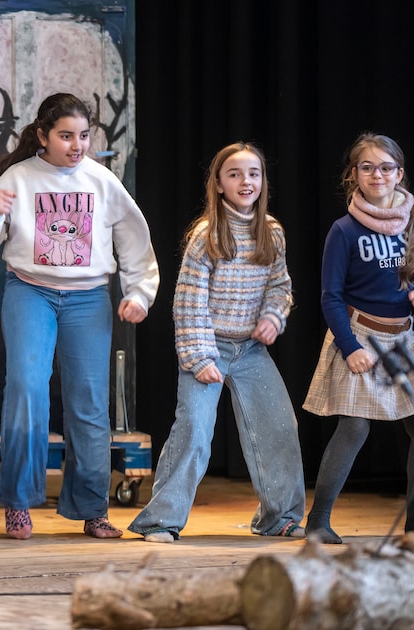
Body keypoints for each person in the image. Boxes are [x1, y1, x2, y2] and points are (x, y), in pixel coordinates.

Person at [0, 93, 159, 539]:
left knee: (89, 402)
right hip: (29, 292)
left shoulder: (101, 181)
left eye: (84, 136)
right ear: (43, 136)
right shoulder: (19, 177)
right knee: (26, 387)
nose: (76, 145)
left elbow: (134, 242)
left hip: (88, 299)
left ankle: (92, 508)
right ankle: (18, 502)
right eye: (66, 136)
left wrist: (139, 295)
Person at [128, 142, 306, 543]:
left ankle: (279, 517)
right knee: (194, 426)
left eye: (254, 174)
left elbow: (280, 286)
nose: (246, 181)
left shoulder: (271, 232)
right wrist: (199, 357)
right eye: (235, 174)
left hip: (251, 349)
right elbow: (188, 301)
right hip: (209, 347)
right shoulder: (206, 235)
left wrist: (273, 317)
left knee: (279, 425)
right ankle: (161, 520)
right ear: (220, 184)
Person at [303, 133, 414, 544]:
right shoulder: (344, 230)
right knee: (355, 427)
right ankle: (319, 521)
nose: (377, 174)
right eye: (367, 167)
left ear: (399, 173)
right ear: (354, 175)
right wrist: (351, 348)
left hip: (402, 340)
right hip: (359, 334)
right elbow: (330, 296)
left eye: (385, 167)